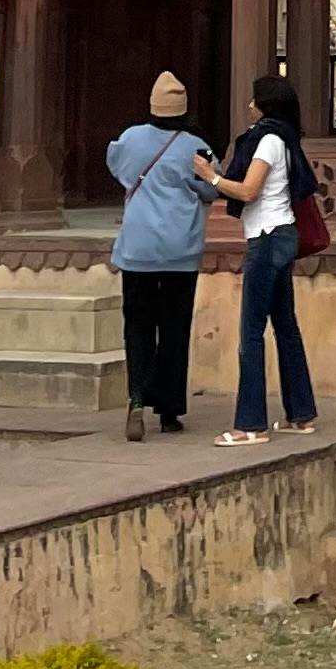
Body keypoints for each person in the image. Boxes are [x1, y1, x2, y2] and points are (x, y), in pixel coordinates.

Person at [206, 71, 320, 443]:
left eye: (255, 99)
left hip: (268, 236)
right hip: (282, 233)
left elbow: (248, 191)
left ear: (265, 105)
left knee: (252, 332)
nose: (249, 105)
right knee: (285, 327)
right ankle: (301, 414)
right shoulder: (283, 136)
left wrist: (210, 177)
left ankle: (250, 424)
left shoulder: (268, 140)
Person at [106, 70, 219, 441]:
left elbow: (117, 166)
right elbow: (211, 189)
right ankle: (169, 411)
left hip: (138, 247)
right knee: (174, 327)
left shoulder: (130, 138)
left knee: (137, 325)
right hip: (180, 250)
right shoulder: (196, 147)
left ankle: (137, 398)